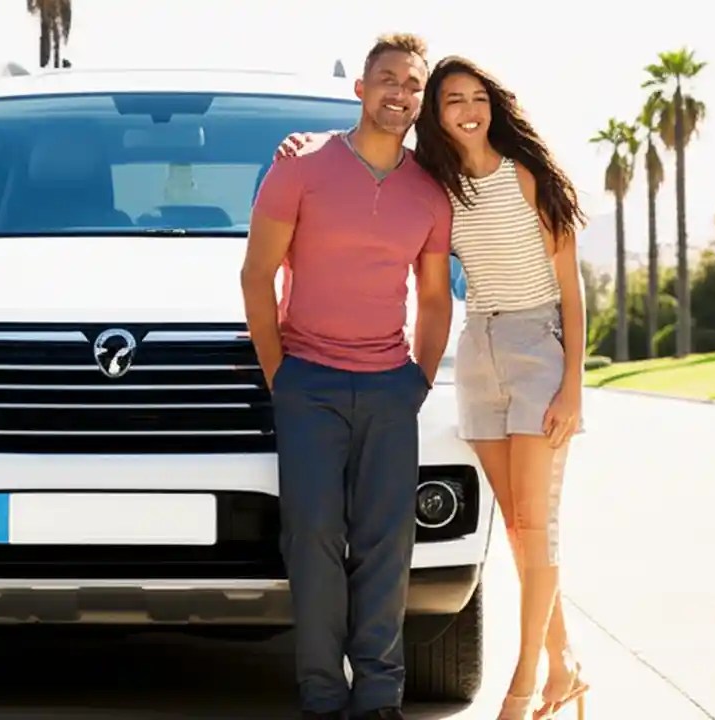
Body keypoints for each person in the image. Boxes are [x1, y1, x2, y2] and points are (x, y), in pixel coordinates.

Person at [274, 56, 590, 720]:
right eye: (453, 101)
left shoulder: (525, 177)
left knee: (538, 526)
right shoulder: (438, 183)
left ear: (495, 105)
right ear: (435, 115)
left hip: (536, 350)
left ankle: (526, 685)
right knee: (517, 528)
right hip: (479, 351)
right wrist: (300, 143)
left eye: (477, 97)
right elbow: (363, 173)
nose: (467, 109)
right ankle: (564, 664)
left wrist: (574, 387)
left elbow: (570, 288)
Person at [239, 33, 453, 720]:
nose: (399, 92)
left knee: (388, 542)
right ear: (360, 90)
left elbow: (436, 294)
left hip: (389, 384)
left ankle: (380, 697)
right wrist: (283, 375)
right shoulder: (302, 166)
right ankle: (324, 696)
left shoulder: (430, 190)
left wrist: (416, 380)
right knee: (313, 536)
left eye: (412, 84)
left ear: (420, 100)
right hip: (310, 382)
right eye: (386, 78)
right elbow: (256, 275)